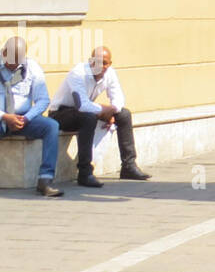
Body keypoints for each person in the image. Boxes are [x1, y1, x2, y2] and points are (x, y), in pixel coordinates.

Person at [49, 46, 151, 187]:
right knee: (89, 118)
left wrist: (112, 111)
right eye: (97, 62)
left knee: (124, 114)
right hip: (61, 113)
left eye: (105, 63)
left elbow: (118, 98)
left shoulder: (110, 73)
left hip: (85, 111)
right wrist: (104, 111)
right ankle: (85, 173)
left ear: (110, 64)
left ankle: (129, 166)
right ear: (91, 61)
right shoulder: (78, 74)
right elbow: (82, 105)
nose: (101, 66)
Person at [0, 37, 64, 196]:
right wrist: (5, 117)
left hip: (24, 118)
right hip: (1, 117)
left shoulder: (32, 68)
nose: (13, 64)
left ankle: (45, 180)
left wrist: (26, 118)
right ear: (4, 52)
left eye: (18, 59)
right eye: (10, 58)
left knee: (51, 126)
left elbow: (43, 100)